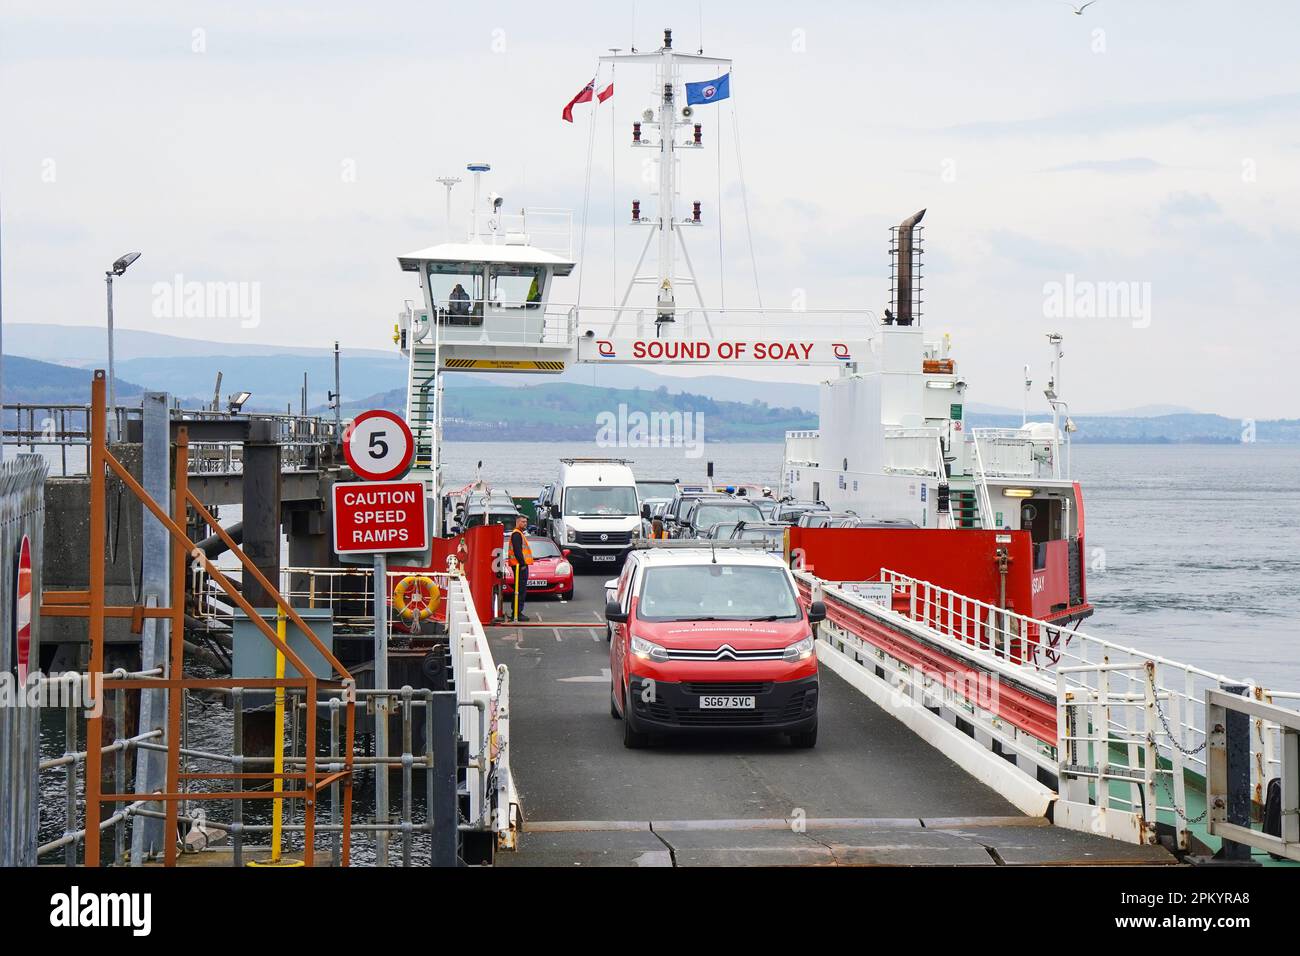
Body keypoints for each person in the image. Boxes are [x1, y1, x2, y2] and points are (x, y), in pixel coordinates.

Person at [506, 516, 533, 622]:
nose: (525, 523)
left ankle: (516, 611)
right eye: (523, 522)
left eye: (526, 522)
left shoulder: (519, 534)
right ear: (517, 522)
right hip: (519, 566)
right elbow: (518, 551)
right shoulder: (517, 534)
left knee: (519, 589)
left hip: (519, 565)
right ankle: (517, 613)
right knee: (520, 590)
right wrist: (522, 564)